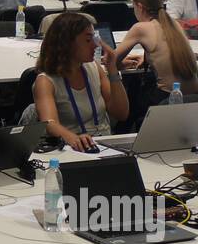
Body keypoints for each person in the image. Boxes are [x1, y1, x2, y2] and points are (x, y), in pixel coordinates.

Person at [20, 12, 128, 151]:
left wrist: (112, 70)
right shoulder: (46, 81)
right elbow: (50, 123)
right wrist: (74, 138)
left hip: (103, 144)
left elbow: (122, 113)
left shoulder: (94, 68)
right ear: (68, 43)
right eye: (88, 40)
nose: (95, 46)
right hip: (71, 147)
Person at [116, 0, 198, 97]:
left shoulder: (140, 28)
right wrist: (147, 59)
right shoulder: (174, 24)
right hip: (194, 98)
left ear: (140, 7)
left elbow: (111, 61)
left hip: (166, 99)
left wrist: (121, 64)